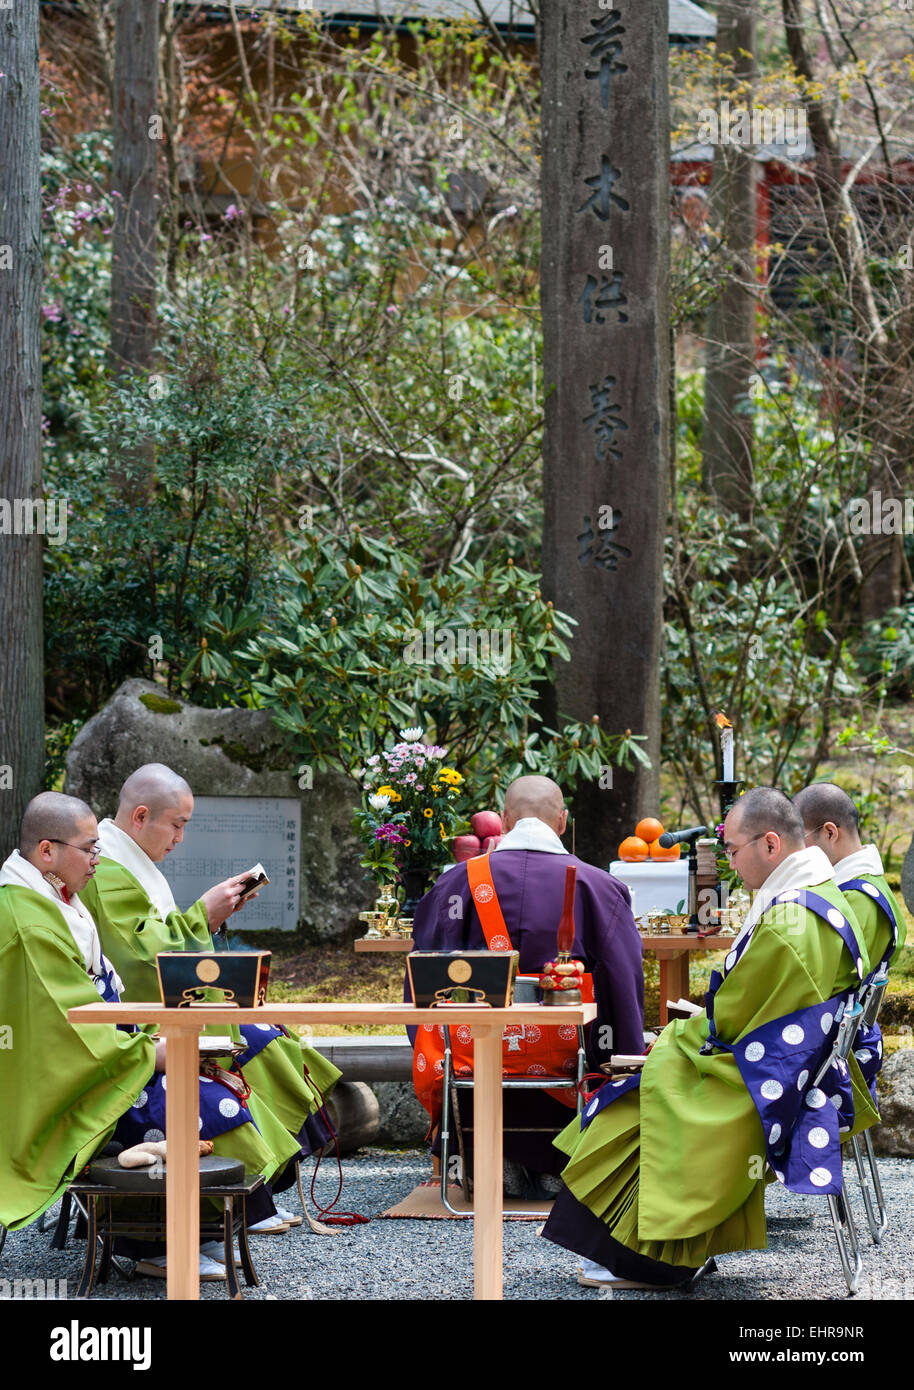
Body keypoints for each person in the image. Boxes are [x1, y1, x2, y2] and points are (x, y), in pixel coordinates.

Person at [541, 786, 877, 1290]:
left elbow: (733, 1020)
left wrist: (676, 1034)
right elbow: (751, 1007)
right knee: (642, 1077)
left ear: (770, 844)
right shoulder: (816, 898)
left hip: (764, 1077)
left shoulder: (791, 921)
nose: (729, 864)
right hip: (795, 1063)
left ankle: (651, 1260)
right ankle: (651, 1248)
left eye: (733, 851)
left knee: (634, 1097)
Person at [0, 793, 301, 1279]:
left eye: (98, 849)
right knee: (194, 1100)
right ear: (47, 851)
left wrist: (146, 1041)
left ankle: (210, 1224)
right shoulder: (27, 919)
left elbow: (97, 994)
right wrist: (148, 1053)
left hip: (108, 1047)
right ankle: (151, 1242)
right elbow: (66, 1026)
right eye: (88, 850)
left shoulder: (52, 898)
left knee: (223, 1070)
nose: (97, 861)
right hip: (58, 1083)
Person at [79, 764, 341, 1230]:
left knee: (269, 1038)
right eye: (177, 825)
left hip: (162, 1014)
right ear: (141, 816)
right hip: (136, 1028)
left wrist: (209, 919)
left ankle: (260, 1187)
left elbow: (153, 939)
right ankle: (243, 1201)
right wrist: (202, 915)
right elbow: (140, 958)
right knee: (246, 1051)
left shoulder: (129, 861)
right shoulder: (108, 869)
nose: (180, 839)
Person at [408, 774, 644, 1191]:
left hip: (471, 1061)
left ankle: (485, 1156)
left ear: (503, 820)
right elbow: (622, 986)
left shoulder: (455, 883)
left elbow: (422, 982)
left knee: (462, 1043)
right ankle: (562, 1159)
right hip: (567, 1063)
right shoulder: (598, 886)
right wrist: (622, 1055)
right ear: (563, 821)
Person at [794, 782, 906, 1100]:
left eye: (800, 840)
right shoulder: (860, 888)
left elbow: (823, 983)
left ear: (830, 832)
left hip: (833, 1052)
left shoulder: (859, 898)